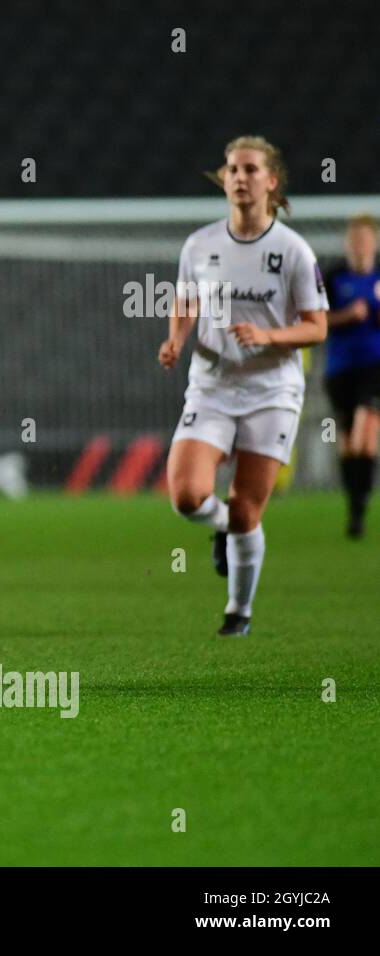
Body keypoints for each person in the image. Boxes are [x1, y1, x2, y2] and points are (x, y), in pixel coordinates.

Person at [159, 135, 327, 636]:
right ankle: (222, 527)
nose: (239, 177)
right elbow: (186, 300)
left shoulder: (292, 251)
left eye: (250, 169)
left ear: (271, 181)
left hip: (271, 391)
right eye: (232, 169)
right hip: (211, 386)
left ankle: (238, 612)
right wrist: (175, 339)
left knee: (247, 507)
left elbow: (317, 326)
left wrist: (268, 335)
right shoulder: (200, 244)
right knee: (186, 495)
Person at [322, 214, 380, 538]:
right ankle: (354, 503)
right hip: (340, 368)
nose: (359, 246)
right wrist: (347, 315)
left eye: (364, 240)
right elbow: (318, 320)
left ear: (374, 243)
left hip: (375, 366)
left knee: (364, 431)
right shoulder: (333, 277)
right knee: (346, 442)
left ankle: (360, 503)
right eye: (354, 240)